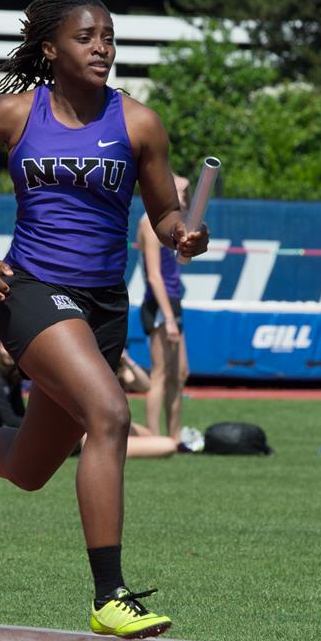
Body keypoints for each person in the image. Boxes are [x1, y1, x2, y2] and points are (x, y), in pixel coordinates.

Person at [0, 0, 208, 639]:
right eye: (86, 37)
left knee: (30, 470)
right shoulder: (13, 116)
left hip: (103, 305)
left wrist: (181, 232)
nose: (102, 48)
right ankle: (110, 593)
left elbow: (164, 211)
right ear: (50, 48)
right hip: (32, 291)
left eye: (109, 37)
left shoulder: (138, 122)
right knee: (111, 413)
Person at [0, 341, 179, 459]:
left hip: (93, 428)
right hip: (80, 436)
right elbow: (9, 418)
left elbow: (145, 385)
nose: (9, 351)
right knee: (168, 445)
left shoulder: (10, 377)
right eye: (4, 346)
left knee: (148, 434)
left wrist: (127, 359)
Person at [138, 173, 191, 443]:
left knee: (180, 373)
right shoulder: (149, 223)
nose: (183, 198)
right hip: (160, 303)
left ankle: (175, 436)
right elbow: (154, 276)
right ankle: (154, 438)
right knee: (159, 375)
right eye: (179, 192)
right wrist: (169, 318)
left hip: (173, 300)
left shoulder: (176, 224)